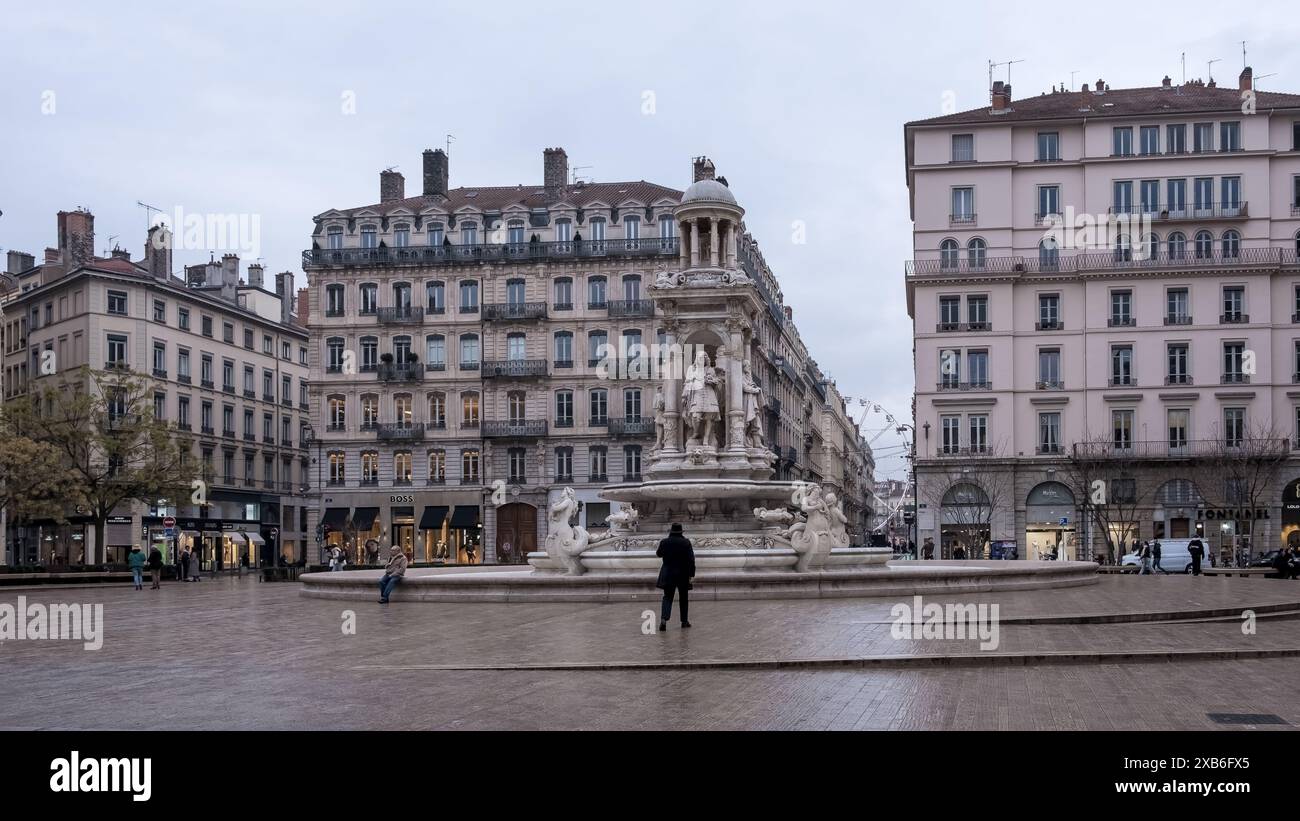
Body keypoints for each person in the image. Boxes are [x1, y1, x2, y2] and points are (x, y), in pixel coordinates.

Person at [656, 523, 696, 630]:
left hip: (668, 573)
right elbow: (691, 560)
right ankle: (684, 621)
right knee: (683, 598)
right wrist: (691, 574)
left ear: (671, 531)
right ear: (681, 532)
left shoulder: (664, 542)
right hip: (683, 574)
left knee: (667, 597)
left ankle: (664, 620)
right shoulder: (686, 542)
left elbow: (658, 554)